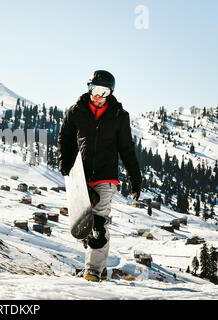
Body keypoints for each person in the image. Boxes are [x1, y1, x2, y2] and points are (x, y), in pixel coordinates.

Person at [58, 70, 142, 282]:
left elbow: (127, 149)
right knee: (84, 224)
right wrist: (65, 162)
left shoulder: (118, 115)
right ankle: (101, 267)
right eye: (94, 90)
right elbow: (65, 138)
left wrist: (135, 178)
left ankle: (93, 271)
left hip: (106, 176)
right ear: (89, 89)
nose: (98, 95)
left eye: (103, 91)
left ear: (110, 93)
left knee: (99, 223)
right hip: (82, 175)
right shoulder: (77, 110)